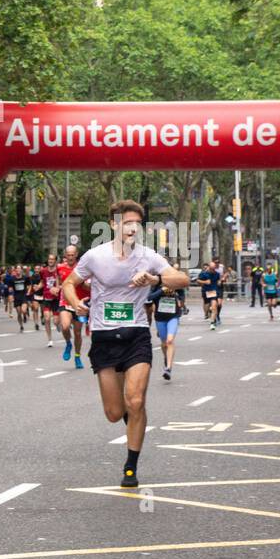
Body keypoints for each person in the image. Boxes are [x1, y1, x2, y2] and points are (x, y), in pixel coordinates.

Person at [63, 200, 188, 489]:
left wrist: (155, 278)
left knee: (136, 401)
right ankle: (134, 421)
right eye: (125, 222)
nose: (131, 227)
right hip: (105, 339)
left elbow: (181, 279)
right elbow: (70, 284)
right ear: (113, 225)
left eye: (136, 223)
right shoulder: (95, 256)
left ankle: (130, 466)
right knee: (115, 413)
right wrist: (75, 305)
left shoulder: (148, 256)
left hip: (136, 336)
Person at [55, 245, 88, 369]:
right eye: (68, 255)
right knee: (65, 326)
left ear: (76, 254)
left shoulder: (82, 267)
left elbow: (87, 284)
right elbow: (59, 282)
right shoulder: (60, 268)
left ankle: (77, 356)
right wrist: (56, 288)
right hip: (65, 302)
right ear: (65, 255)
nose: (70, 257)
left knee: (78, 333)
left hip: (79, 303)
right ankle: (68, 343)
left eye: (72, 254)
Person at [147, 279, 184, 381]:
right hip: (160, 318)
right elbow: (149, 297)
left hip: (173, 316)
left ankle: (168, 368)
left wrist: (180, 300)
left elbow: (181, 294)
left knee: (170, 340)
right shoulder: (156, 285)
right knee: (164, 344)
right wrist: (162, 290)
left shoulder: (175, 283)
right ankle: (166, 358)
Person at [196, 259, 222, 329]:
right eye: (212, 269)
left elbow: (218, 280)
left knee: (214, 306)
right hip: (206, 292)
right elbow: (197, 281)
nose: (213, 270)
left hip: (213, 292)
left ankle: (212, 323)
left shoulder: (217, 274)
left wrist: (219, 282)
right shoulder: (204, 274)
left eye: (214, 269)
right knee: (207, 307)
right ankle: (207, 313)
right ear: (209, 268)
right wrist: (205, 282)